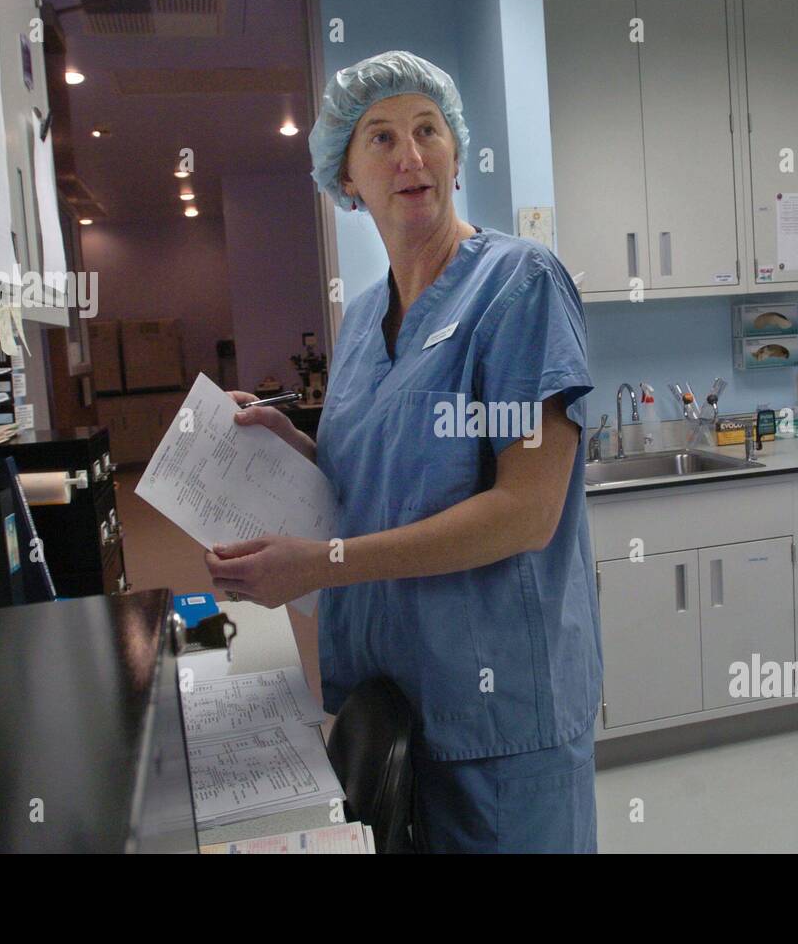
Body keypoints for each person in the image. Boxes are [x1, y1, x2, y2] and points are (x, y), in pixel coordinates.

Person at [204, 50, 601, 853]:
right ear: (346, 178)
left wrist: (321, 564)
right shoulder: (362, 321)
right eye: (380, 138)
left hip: (496, 720)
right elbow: (381, 477)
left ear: (455, 152)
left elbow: (527, 512)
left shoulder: (519, 286)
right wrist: (297, 447)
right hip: (387, 709)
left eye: (428, 130)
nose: (410, 155)